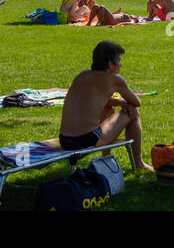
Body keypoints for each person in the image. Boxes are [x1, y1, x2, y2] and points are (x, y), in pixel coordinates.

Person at [59, 41, 151, 169]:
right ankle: (139, 163)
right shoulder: (115, 80)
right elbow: (136, 102)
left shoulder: (81, 76)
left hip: (65, 140)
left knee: (109, 108)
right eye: (119, 61)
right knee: (132, 111)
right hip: (85, 141)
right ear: (110, 64)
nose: (121, 64)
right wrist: (123, 102)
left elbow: (91, 100)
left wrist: (118, 102)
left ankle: (106, 158)